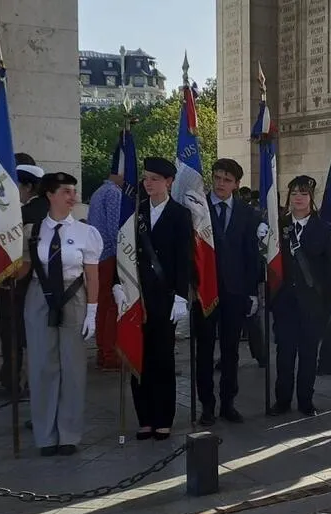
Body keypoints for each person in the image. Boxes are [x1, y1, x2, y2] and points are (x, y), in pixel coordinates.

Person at [112, 158, 192, 440]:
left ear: (169, 182)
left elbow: (184, 258)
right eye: (146, 178)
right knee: (139, 355)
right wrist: (117, 284)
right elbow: (121, 249)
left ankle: (163, 418)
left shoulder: (180, 214)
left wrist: (181, 296)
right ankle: (144, 418)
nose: (148, 183)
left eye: (155, 179)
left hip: (165, 296)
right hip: (137, 294)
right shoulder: (136, 212)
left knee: (162, 358)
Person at [22, 172, 102, 456]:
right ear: (50, 195)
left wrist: (92, 311)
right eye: (66, 191)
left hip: (73, 296)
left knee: (73, 367)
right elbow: (23, 270)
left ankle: (69, 434)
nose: (73, 197)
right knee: (42, 366)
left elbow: (92, 276)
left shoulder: (85, 232)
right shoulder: (32, 231)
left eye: (73, 191)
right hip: (39, 297)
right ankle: (45, 435)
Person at [194, 158, 264, 425]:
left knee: (231, 350)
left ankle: (228, 403)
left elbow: (251, 255)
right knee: (204, 349)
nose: (221, 183)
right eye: (217, 177)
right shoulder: (199, 209)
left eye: (227, 180)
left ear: (236, 184)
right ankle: (207, 405)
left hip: (235, 291)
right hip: (205, 290)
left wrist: (252, 292)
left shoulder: (248, 213)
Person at [269, 175, 331, 416]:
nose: (298, 198)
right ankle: (282, 400)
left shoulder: (324, 229)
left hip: (313, 303)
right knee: (285, 355)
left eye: (303, 194)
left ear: (311, 198)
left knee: (309, 354)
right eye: (294, 193)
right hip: (284, 303)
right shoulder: (277, 226)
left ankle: (305, 400)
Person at [0, 157, 43, 402]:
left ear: (28, 186)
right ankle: (32, 383)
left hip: (18, 284)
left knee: (13, 336)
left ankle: (12, 384)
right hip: (37, 286)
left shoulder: (23, 214)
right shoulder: (45, 209)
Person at [87, 148, 124, 370]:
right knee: (110, 305)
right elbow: (114, 229)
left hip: (96, 256)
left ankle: (103, 350)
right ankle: (109, 353)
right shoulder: (114, 194)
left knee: (101, 304)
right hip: (110, 255)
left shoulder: (99, 191)